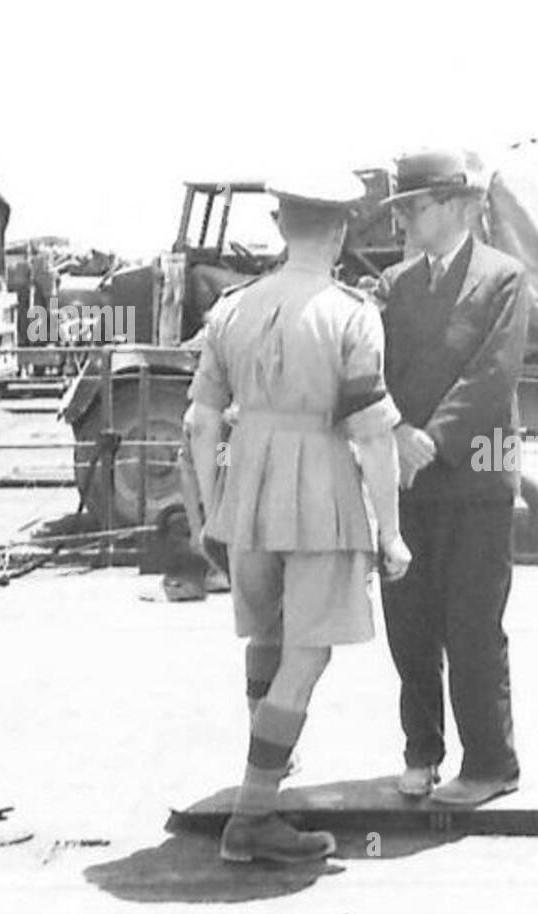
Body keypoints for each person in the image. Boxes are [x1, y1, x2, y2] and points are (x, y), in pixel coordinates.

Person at [187, 169, 411, 863]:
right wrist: (392, 531)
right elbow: (371, 433)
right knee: (306, 654)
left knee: (267, 636)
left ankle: (266, 780)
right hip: (321, 494)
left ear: (280, 224)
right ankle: (253, 818)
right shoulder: (352, 313)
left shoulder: (231, 307)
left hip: (245, 489)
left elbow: (198, 421)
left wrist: (208, 513)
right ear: (342, 230)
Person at [376, 149, 531, 806]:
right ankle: (421, 752)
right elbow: (369, 368)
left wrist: (428, 440)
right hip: (408, 481)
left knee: (471, 624)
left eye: (415, 205)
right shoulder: (393, 286)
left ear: (457, 204)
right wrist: (393, 432)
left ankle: (492, 764)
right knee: (408, 623)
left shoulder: (504, 279)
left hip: (477, 482)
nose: (406, 218)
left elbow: (492, 378)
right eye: (403, 207)